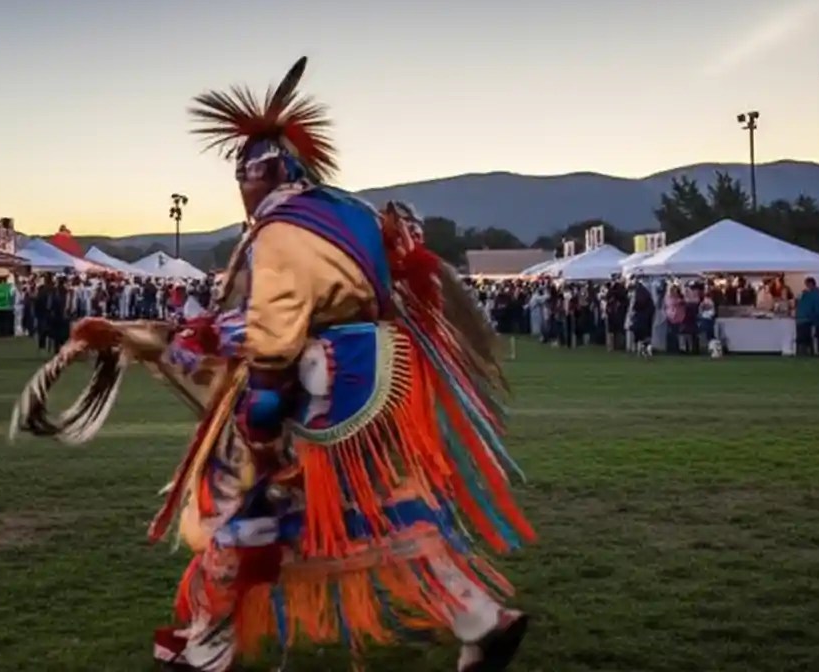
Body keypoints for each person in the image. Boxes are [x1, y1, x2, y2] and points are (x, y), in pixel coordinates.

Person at [32, 58, 534, 672]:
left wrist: (261, 432)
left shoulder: (282, 233)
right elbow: (286, 318)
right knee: (380, 512)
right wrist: (143, 336)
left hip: (321, 396)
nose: (240, 186)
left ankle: (207, 647)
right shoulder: (345, 211)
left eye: (244, 173)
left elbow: (271, 342)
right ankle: (479, 617)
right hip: (367, 385)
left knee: (235, 510)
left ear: (269, 171)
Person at [795, 277, 819, 356]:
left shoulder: (813, 294)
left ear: (811, 284)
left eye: (807, 284)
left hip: (812, 318)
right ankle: (817, 351)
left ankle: (814, 351)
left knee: (814, 336)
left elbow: (813, 306)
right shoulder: (818, 293)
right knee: (817, 336)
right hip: (816, 318)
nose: (806, 286)